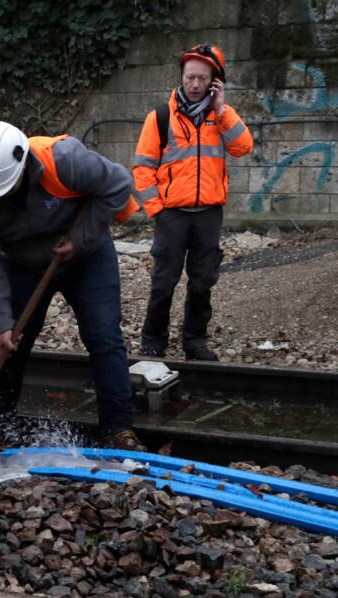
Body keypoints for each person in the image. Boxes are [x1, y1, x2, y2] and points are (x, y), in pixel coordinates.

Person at [0, 121, 146, 451]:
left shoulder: (65, 160)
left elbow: (118, 184)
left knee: (103, 336)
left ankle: (118, 429)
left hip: (86, 257)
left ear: (20, 168)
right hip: (23, 265)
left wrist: (80, 239)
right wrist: (2, 323)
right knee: (11, 344)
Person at [133, 43, 253, 361]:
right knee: (164, 281)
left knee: (202, 282)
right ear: (182, 78)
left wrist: (223, 110)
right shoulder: (160, 117)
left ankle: (195, 341)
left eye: (202, 78)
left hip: (208, 214)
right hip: (172, 214)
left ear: (215, 82)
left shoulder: (222, 117)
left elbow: (243, 147)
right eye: (190, 77)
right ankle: (153, 339)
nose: (195, 84)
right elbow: (142, 168)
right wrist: (156, 209)